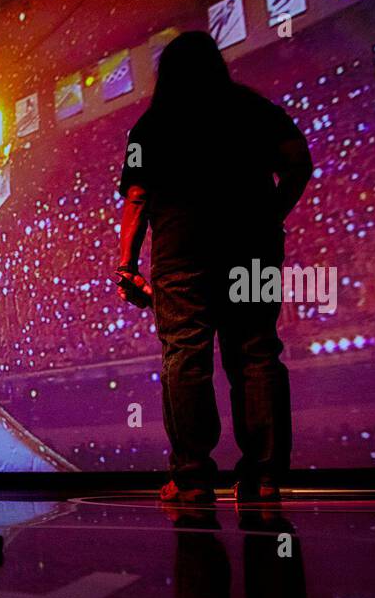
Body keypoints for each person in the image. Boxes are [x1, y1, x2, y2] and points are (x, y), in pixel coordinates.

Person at [117, 31, 312, 505]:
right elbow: (298, 164)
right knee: (257, 353)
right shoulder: (254, 109)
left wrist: (126, 266)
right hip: (252, 246)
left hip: (182, 253)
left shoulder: (150, 127)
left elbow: (138, 194)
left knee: (185, 357)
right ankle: (264, 477)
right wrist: (270, 216)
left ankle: (193, 479)